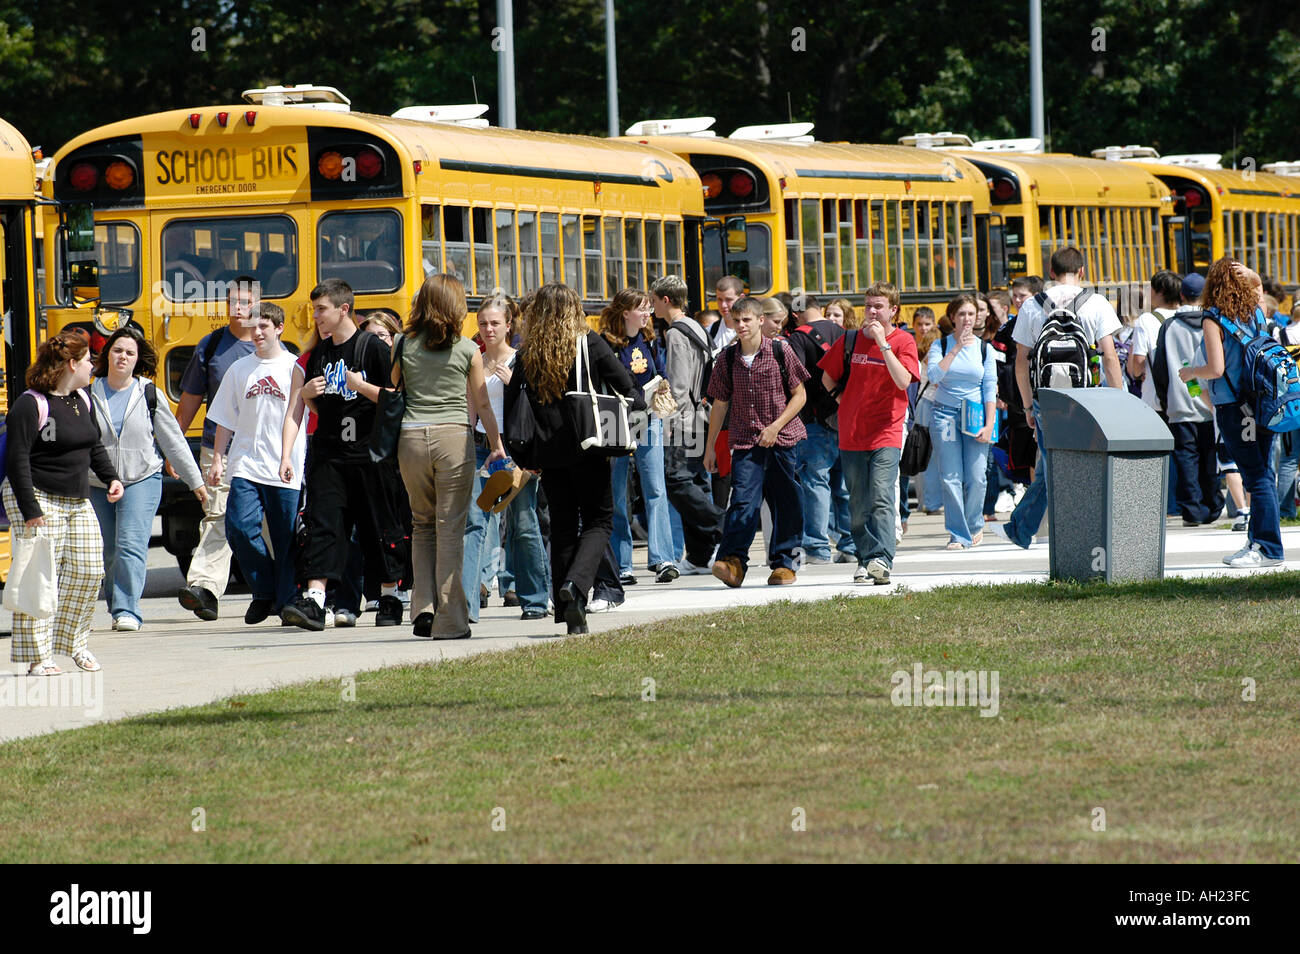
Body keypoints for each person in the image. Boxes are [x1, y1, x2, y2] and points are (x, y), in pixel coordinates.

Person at [504, 282, 638, 634]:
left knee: (563, 526)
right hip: (588, 444)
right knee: (599, 521)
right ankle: (577, 587)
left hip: (547, 453)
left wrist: (523, 455)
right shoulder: (588, 343)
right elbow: (626, 387)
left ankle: (567, 613)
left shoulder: (528, 351)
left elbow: (511, 406)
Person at [279, 279, 408, 631]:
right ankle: (315, 600)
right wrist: (305, 397)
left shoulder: (372, 348)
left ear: (343, 309)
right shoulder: (319, 354)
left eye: (321, 310)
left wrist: (362, 386)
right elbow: (305, 407)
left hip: (371, 456)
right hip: (329, 455)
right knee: (324, 526)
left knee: (376, 528)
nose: (316, 317)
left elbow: (396, 400)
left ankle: (388, 596)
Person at [2, 331, 124, 675]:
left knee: (89, 570)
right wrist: (30, 511)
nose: (93, 367)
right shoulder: (31, 404)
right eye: (88, 361)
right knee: (41, 577)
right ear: (72, 364)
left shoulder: (82, 399)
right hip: (36, 496)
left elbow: (94, 446)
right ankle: (39, 656)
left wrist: (112, 477)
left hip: (76, 497)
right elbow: (17, 459)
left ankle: (74, 643)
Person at [990, 249, 1123, 550]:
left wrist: (1027, 406)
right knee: (1074, 465)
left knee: (1054, 466)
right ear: (1082, 271)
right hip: (1089, 399)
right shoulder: (1096, 302)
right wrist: (1119, 401)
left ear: (1050, 271)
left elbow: (1021, 362)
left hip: (1047, 399)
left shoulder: (1032, 306)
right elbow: (1110, 357)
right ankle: (1034, 529)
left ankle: (1031, 529)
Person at [89, 327, 207, 632]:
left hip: (142, 478)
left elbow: (174, 442)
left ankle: (127, 609)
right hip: (97, 484)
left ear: (137, 359)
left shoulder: (148, 393)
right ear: (108, 355)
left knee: (130, 545)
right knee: (109, 549)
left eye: (130, 352)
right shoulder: (89, 394)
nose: (123, 357)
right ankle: (118, 604)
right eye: (117, 351)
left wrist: (196, 483)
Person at [1178, 258, 1283, 567]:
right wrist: (1250, 273)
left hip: (1235, 407)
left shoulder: (1214, 319)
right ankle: (1257, 541)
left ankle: (1267, 547)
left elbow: (1215, 368)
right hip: (1264, 403)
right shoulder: (1259, 313)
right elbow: (1258, 287)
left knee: (1256, 476)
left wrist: (1190, 373)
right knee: (1263, 471)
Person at [206, 303, 307, 623]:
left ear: (279, 328)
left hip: (285, 465)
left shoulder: (295, 367)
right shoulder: (239, 370)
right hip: (246, 464)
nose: (258, 333)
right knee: (238, 529)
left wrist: (290, 457)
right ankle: (265, 590)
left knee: (285, 538)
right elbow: (224, 418)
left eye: (264, 326)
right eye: (254, 327)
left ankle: (287, 600)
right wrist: (218, 460)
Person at [703, 298, 809, 587]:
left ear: (761, 320)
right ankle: (734, 562)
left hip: (783, 439)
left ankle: (785, 563)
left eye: (747, 320)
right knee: (742, 502)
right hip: (745, 441)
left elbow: (800, 395)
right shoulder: (726, 358)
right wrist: (711, 445)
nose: (741, 326)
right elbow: (720, 403)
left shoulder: (780, 350)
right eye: (737, 321)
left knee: (785, 501)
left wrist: (776, 426)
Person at [818, 282, 919, 585]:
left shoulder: (903, 341)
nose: (872, 311)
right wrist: (843, 401)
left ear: (893, 310)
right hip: (852, 433)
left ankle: (882, 559)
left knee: (881, 495)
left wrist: (882, 342)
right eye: (869, 305)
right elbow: (826, 377)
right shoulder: (849, 339)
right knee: (858, 503)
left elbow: (903, 381)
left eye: (879, 306)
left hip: (887, 430)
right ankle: (865, 560)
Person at [174, 277, 258, 620]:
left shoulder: (271, 345)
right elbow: (190, 402)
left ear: (257, 304)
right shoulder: (210, 346)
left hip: (262, 449)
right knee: (217, 515)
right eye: (232, 301)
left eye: (245, 302)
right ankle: (204, 589)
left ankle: (286, 587)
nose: (238, 308)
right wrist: (174, 450)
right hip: (217, 448)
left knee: (269, 521)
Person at [462, 293, 549, 622]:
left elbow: (539, 404)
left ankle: (536, 600)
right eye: (482, 323)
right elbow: (472, 410)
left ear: (509, 325)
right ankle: (468, 606)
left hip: (516, 449)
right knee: (475, 523)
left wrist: (515, 384)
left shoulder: (521, 360)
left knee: (523, 523)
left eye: (495, 323)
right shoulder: (475, 361)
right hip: (482, 448)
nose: (488, 329)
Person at [601, 288, 678, 584]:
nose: (648, 313)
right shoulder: (608, 343)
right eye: (642, 309)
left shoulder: (648, 338)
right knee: (618, 492)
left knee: (655, 487)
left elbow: (656, 370)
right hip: (616, 420)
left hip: (649, 418)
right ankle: (622, 563)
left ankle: (662, 558)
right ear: (625, 312)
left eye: (648, 308)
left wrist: (661, 387)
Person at [653, 274, 723, 577]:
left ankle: (722, 526)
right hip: (701, 415)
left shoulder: (676, 333)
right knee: (694, 482)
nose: (652, 306)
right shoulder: (696, 325)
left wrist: (670, 421)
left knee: (676, 480)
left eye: (654, 300)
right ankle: (698, 553)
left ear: (666, 300)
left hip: (685, 419)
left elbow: (679, 383)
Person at [927, 296, 998, 548]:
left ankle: (974, 524)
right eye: (962, 314)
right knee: (950, 476)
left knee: (977, 476)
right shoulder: (941, 345)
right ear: (953, 318)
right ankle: (958, 533)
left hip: (975, 415)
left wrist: (989, 425)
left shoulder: (984, 349)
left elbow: (990, 387)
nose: (967, 319)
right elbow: (934, 375)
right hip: (945, 414)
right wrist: (956, 349)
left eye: (971, 313)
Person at [1162, 272, 1223, 526]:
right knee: (1211, 456)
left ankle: (1192, 510)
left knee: (1186, 458)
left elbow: (1160, 367)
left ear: (1182, 295)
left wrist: (1165, 399)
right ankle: (1213, 504)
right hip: (1212, 403)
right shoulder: (1214, 321)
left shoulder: (1170, 326)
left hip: (1180, 403)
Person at [1127, 270, 1181, 410]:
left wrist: (1138, 375)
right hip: (1188, 396)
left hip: (1157, 399)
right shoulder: (1187, 316)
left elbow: (1138, 362)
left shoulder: (1146, 320)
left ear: (1160, 291)